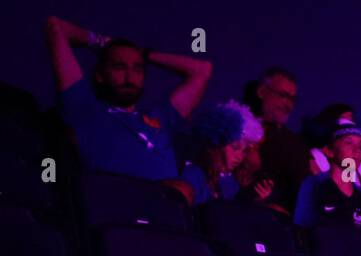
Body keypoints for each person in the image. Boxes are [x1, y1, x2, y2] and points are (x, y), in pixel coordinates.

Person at [46, 16, 211, 180]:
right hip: (120, 194)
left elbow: (202, 70)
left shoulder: (160, 118)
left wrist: (145, 54)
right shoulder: (84, 107)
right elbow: (56, 27)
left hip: (170, 195)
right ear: (100, 75)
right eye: (119, 67)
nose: (130, 77)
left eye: (137, 69)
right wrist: (101, 42)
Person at [293, 117, 361, 235]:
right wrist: (360, 235)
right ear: (329, 151)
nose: (356, 150)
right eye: (348, 143)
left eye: (360, 146)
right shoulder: (314, 186)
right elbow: (302, 230)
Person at [243, 66, 308, 213]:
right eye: (283, 95)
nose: (288, 105)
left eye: (292, 99)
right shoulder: (237, 127)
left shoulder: (295, 145)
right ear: (261, 92)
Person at [173, 100, 263, 206]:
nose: (239, 156)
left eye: (244, 151)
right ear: (218, 142)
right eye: (235, 147)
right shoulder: (194, 174)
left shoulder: (230, 182)